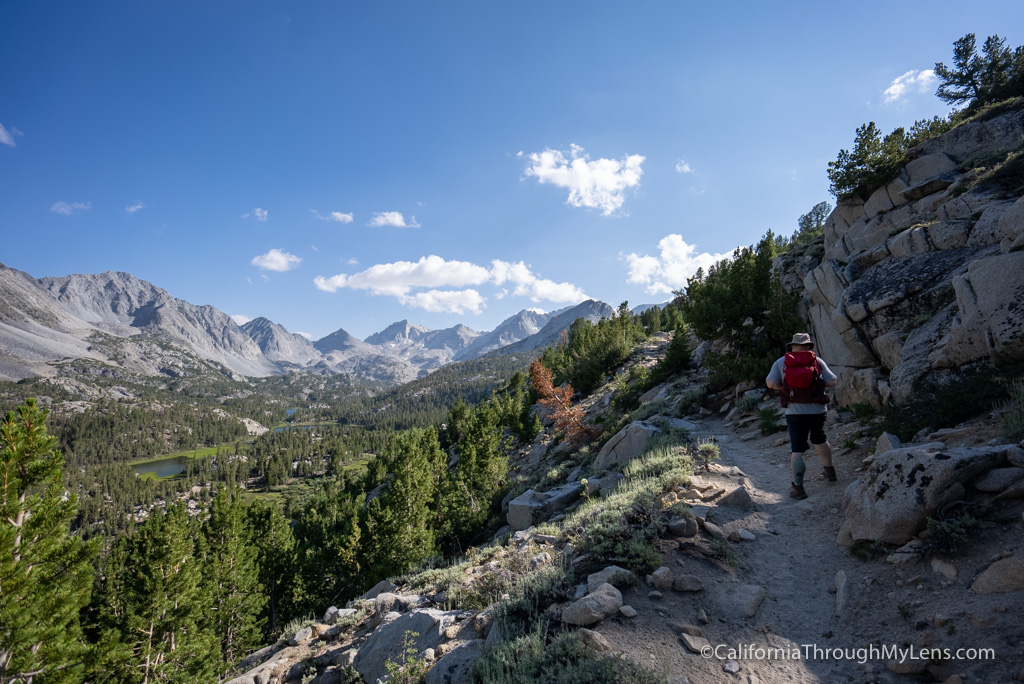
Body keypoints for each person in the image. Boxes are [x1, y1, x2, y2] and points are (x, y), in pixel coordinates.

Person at [765, 332, 837, 500]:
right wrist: (815, 385)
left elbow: (770, 383)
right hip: (818, 411)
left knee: (797, 449)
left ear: (792, 346)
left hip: (795, 412)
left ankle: (799, 488)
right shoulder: (816, 361)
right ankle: (829, 471)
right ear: (808, 346)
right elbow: (832, 382)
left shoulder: (781, 362)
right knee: (819, 438)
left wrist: (787, 387)